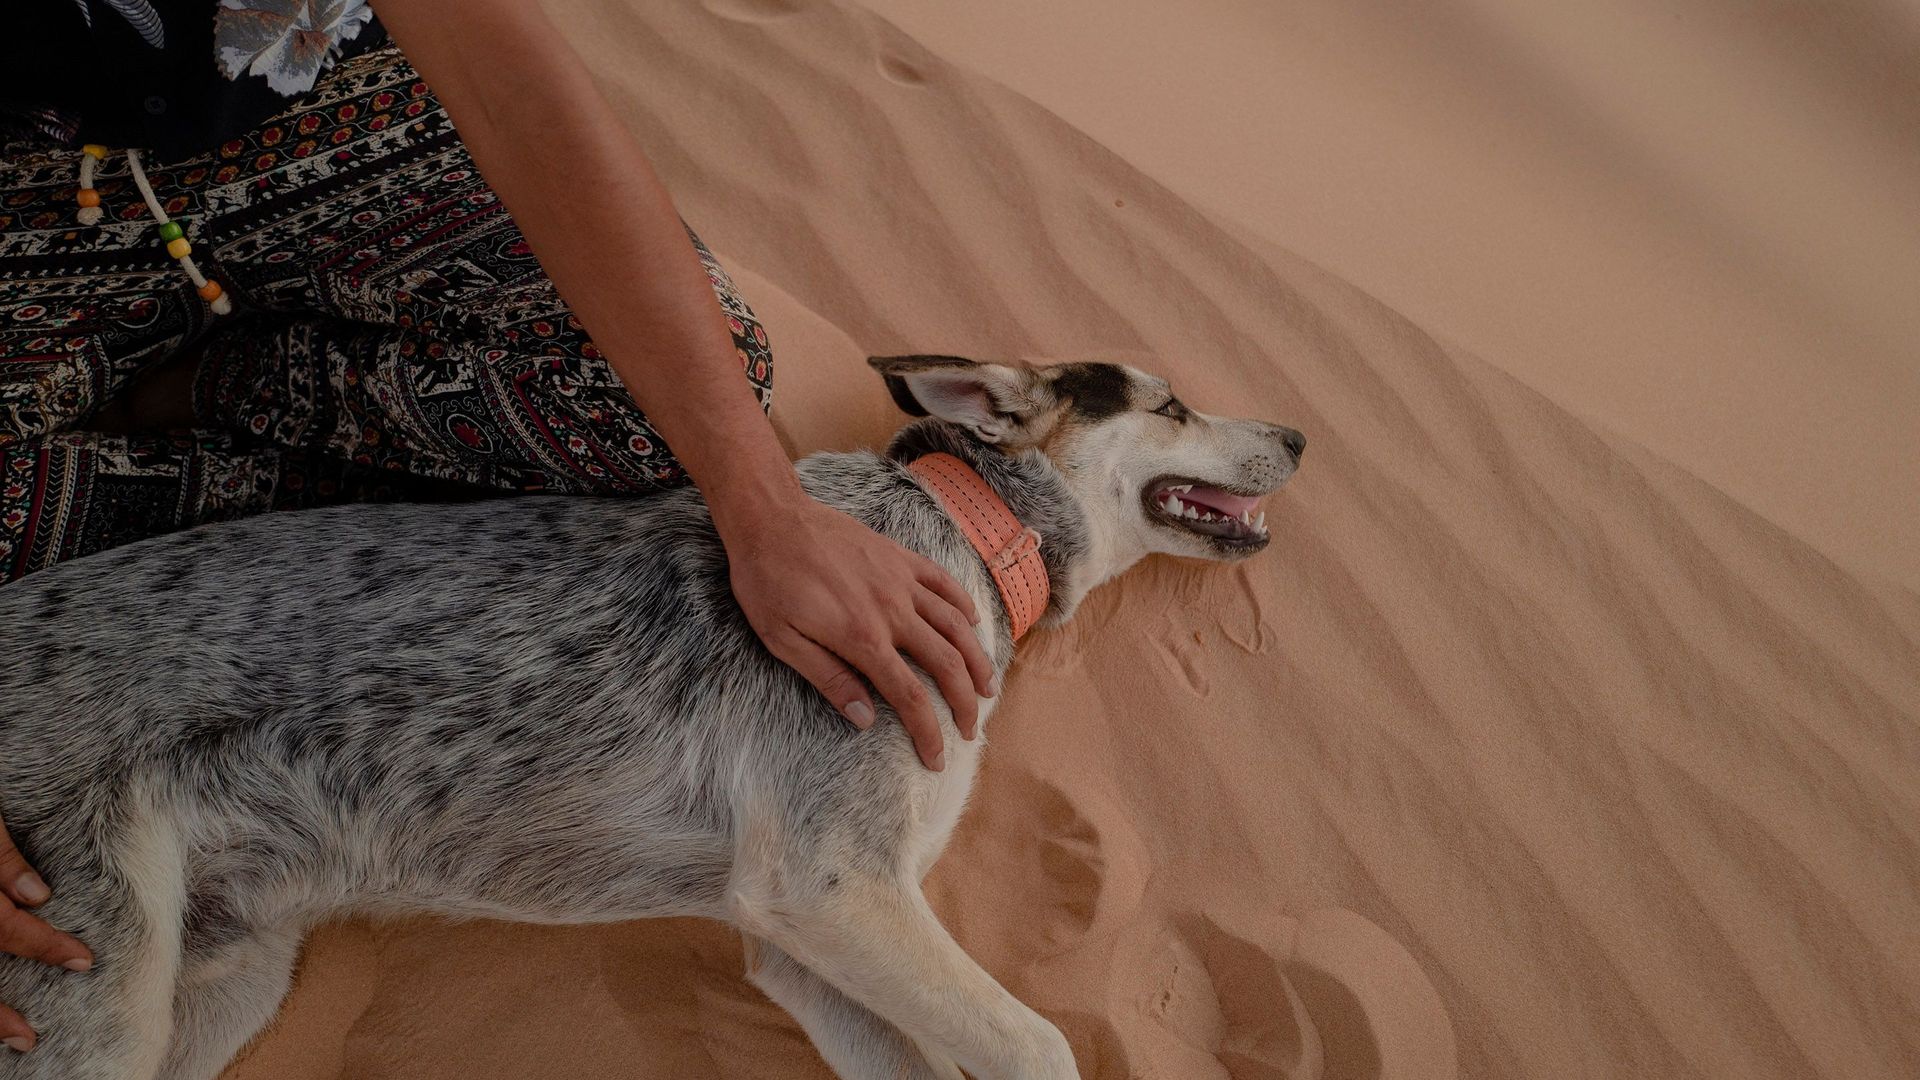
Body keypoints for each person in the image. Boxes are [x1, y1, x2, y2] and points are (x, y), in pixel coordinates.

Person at [0, 0, 996, 1052]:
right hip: (30, 188)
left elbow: (520, 95)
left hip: (311, 110)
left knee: (657, 408)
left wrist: (768, 510)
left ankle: (218, 387)